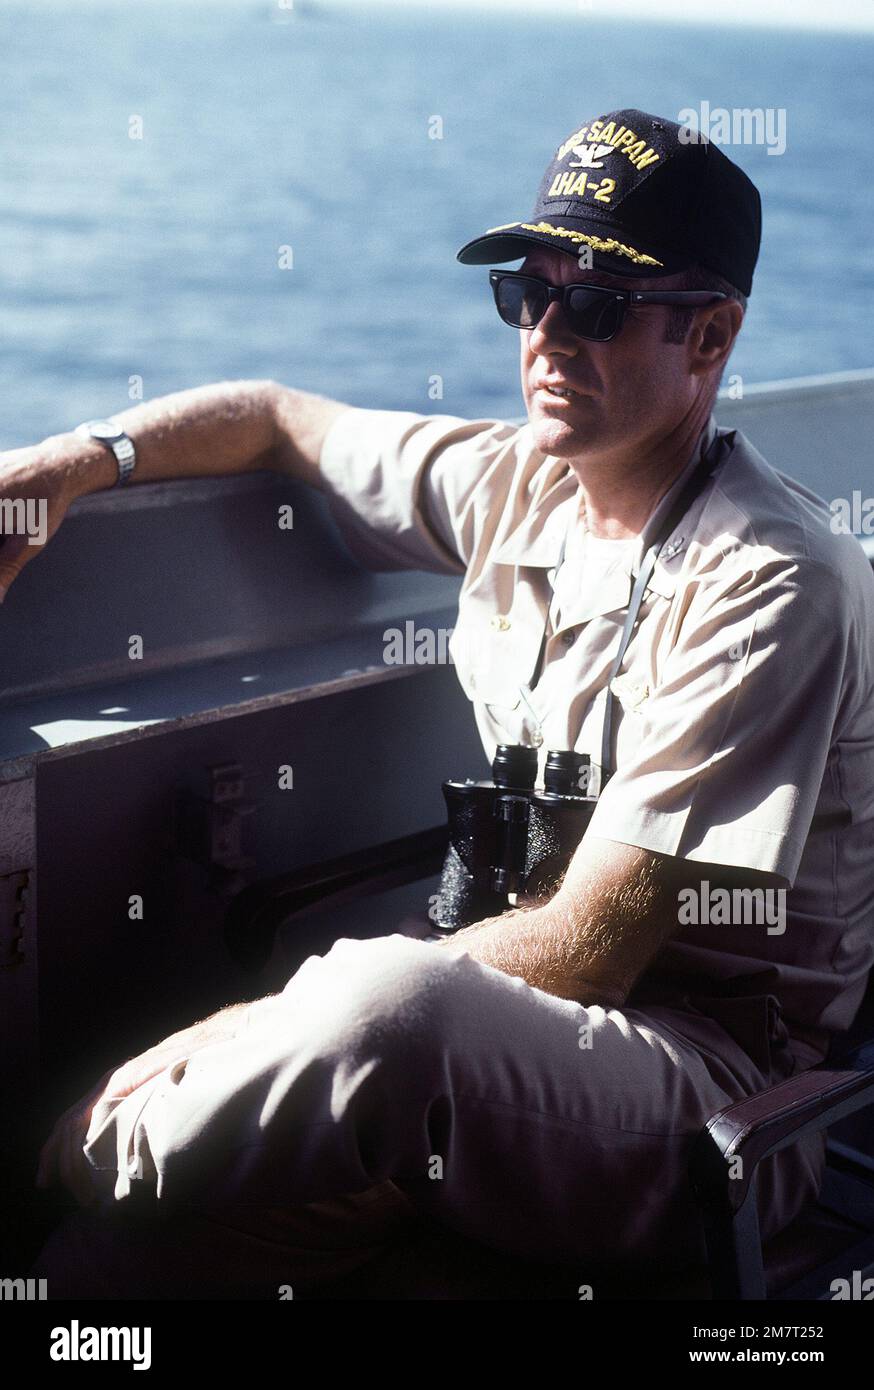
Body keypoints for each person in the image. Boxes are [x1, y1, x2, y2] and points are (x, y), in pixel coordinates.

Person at [14, 109, 874, 1298]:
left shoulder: (770, 582)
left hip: (718, 1097)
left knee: (384, 1008)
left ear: (712, 335)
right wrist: (74, 459)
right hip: (508, 1040)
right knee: (99, 1277)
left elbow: (591, 946)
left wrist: (241, 1032)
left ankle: (58, 1157)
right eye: (530, 294)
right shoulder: (519, 484)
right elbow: (278, 419)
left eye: (602, 304)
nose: (549, 337)